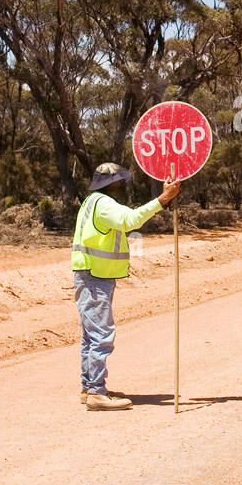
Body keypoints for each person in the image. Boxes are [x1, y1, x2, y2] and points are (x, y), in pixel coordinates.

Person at [71, 162, 180, 410]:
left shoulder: (92, 201)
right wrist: (163, 199)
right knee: (101, 335)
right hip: (95, 276)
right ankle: (97, 392)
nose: (123, 185)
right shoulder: (104, 203)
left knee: (91, 335)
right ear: (113, 183)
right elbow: (130, 220)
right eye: (120, 181)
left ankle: (90, 388)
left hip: (91, 274)